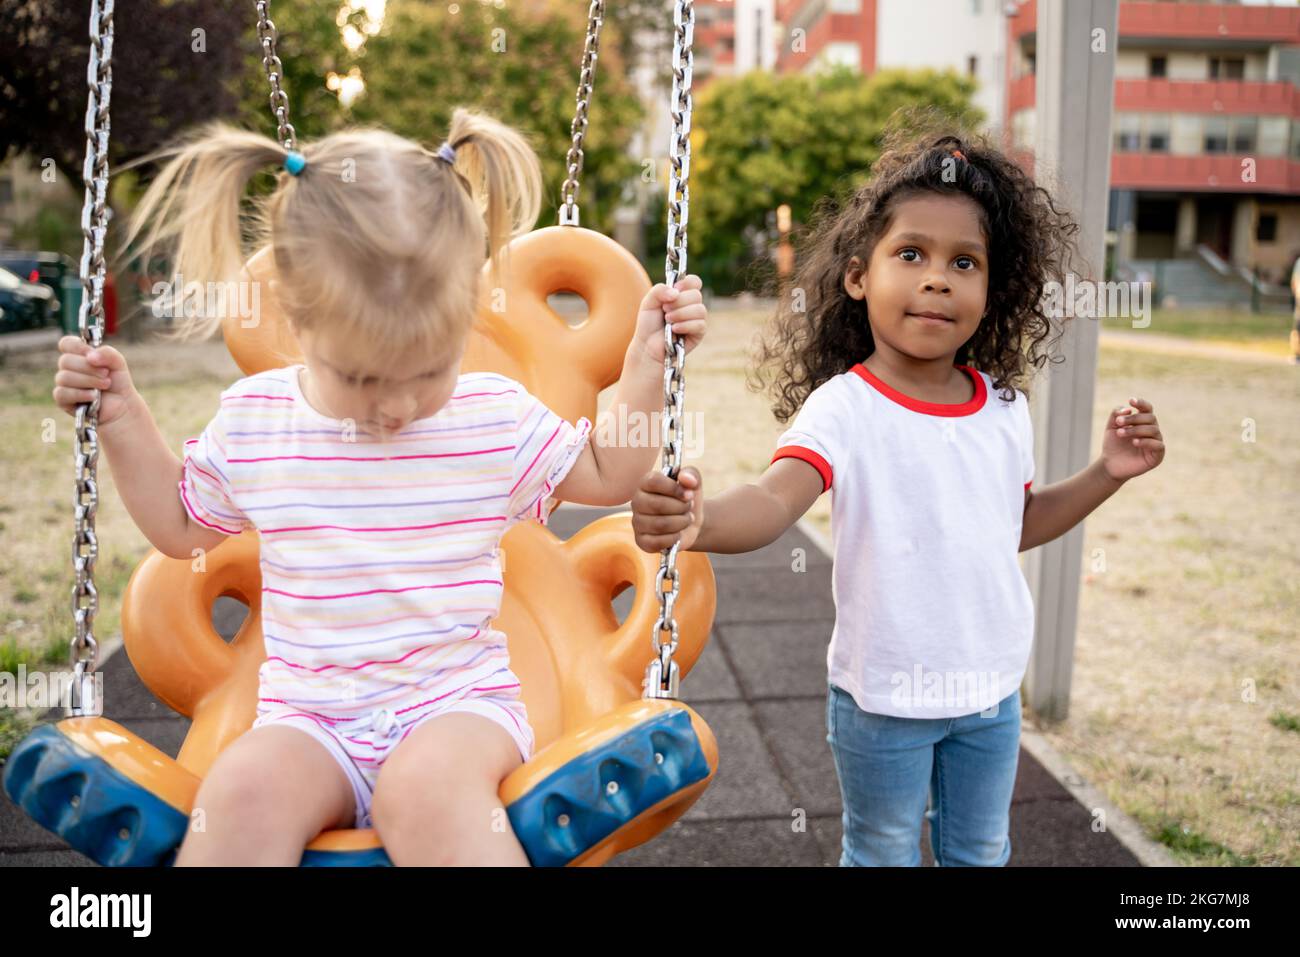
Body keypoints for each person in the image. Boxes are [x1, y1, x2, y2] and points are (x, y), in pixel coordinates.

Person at [52, 109, 708, 865]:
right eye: (361, 378)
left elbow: (604, 471)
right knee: (234, 798)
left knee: (422, 795)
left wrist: (648, 367)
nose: (397, 406)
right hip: (309, 716)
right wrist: (124, 417)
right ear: (297, 321)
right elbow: (177, 524)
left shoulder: (486, 414)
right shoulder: (259, 423)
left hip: (455, 705)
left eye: (429, 371)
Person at [630, 128, 1166, 866]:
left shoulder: (1004, 406)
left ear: (992, 288)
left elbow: (1015, 522)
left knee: (981, 850)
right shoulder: (846, 406)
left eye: (964, 262)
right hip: (884, 696)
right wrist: (702, 518)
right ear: (859, 276)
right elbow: (773, 498)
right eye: (911, 254)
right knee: (882, 851)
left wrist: (1106, 470)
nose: (937, 278)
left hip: (988, 692)